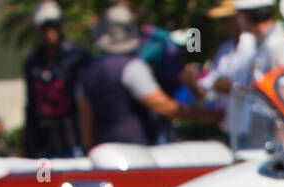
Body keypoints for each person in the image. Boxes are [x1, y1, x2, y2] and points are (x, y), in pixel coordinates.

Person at [77, 4, 221, 148]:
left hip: (103, 152)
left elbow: (85, 118)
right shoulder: (132, 67)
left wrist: (89, 148)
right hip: (135, 152)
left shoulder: (87, 71)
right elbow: (163, 106)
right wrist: (206, 115)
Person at [21, 1, 91, 158]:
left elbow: (85, 104)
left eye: (52, 26)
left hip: (74, 142)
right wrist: (27, 144)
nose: (49, 32)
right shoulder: (33, 63)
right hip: (44, 144)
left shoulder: (77, 58)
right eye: (44, 28)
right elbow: (31, 106)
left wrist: (88, 142)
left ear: (60, 26)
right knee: (44, 182)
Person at [186, 0, 257, 137]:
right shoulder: (225, 49)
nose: (222, 25)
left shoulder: (253, 45)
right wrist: (192, 83)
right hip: (229, 131)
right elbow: (207, 91)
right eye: (220, 21)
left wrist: (229, 86)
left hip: (253, 130)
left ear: (239, 17)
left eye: (225, 20)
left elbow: (257, 88)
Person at [236, 0, 284, 83]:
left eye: (238, 14)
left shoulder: (276, 44)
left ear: (246, 16)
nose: (237, 20)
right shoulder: (264, 43)